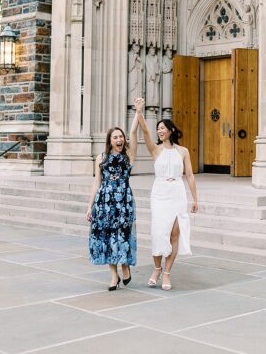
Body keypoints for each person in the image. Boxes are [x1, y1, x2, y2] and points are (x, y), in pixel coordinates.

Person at [135, 97, 198, 291]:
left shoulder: (183, 151)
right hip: (160, 192)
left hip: (177, 192)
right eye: (158, 129)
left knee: (174, 234)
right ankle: (156, 269)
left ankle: (167, 273)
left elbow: (189, 175)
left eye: (163, 128)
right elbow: (145, 131)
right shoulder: (155, 150)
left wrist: (195, 198)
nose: (159, 131)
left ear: (170, 130)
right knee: (158, 232)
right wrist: (139, 112)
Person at [85, 110, 140, 290]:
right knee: (108, 237)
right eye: (115, 137)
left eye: (121, 137)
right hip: (105, 202)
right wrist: (89, 207)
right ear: (110, 140)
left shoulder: (128, 155)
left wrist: (138, 113)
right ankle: (113, 275)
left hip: (123, 201)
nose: (119, 139)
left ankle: (125, 265)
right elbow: (96, 183)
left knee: (122, 234)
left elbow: (133, 134)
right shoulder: (101, 158)